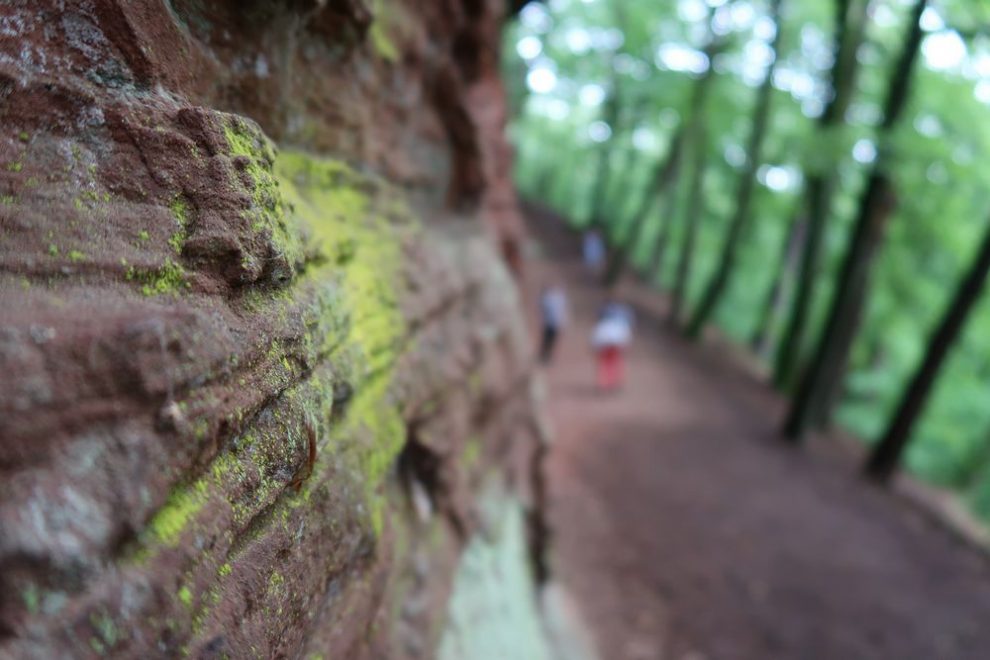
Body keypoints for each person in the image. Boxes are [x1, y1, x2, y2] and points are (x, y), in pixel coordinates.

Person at [591, 300, 634, 391]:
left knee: (605, 364)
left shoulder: (603, 324)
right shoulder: (620, 323)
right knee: (614, 363)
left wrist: (594, 346)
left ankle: (604, 382)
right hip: (616, 345)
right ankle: (612, 381)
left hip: (605, 345)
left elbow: (596, 336)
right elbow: (625, 336)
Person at [539, 283, 568, 364]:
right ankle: (544, 355)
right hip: (549, 323)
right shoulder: (548, 298)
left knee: (550, 341)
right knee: (547, 341)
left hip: (554, 323)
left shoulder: (555, 298)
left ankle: (547, 356)